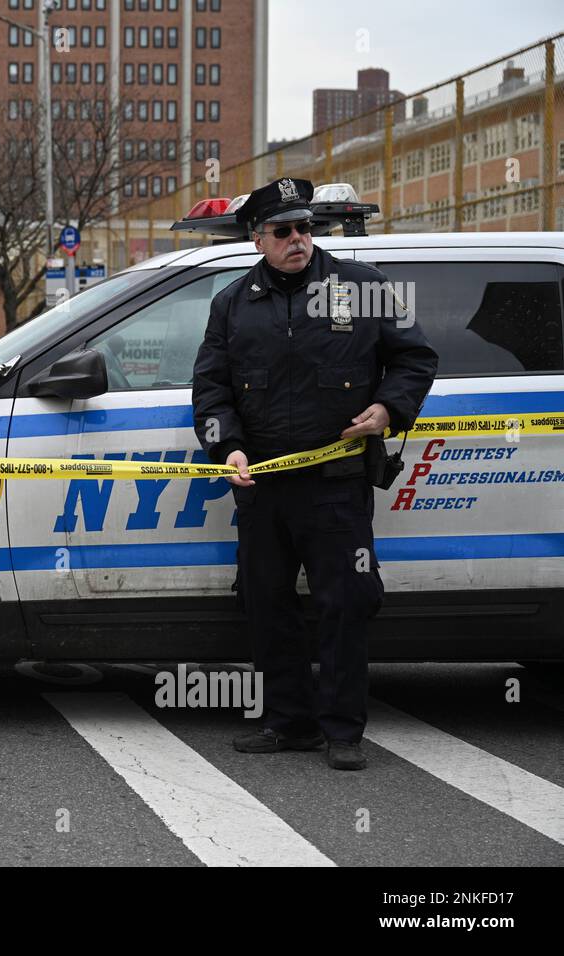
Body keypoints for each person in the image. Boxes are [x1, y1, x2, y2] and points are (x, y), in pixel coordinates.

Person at [191, 178, 438, 771]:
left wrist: (388, 408)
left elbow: (415, 357)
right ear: (258, 240)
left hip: (337, 482)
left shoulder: (363, 287)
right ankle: (288, 723)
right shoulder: (231, 304)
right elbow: (213, 389)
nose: (298, 239)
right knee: (267, 603)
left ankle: (343, 731)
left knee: (344, 604)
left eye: (305, 228)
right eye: (283, 231)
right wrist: (228, 448)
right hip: (264, 486)